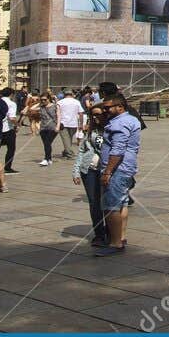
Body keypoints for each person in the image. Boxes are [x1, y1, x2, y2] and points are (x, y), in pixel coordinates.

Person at [96, 94, 140, 255]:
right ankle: (120, 237)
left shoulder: (119, 123)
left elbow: (118, 149)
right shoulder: (131, 120)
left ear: (120, 107)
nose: (105, 110)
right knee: (122, 204)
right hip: (127, 167)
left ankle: (115, 243)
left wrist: (107, 171)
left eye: (108, 107)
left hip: (117, 169)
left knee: (111, 206)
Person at [71, 103, 110, 246]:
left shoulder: (111, 130)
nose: (96, 117)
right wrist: (75, 171)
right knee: (94, 203)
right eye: (93, 115)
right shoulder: (90, 130)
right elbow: (82, 150)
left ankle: (111, 231)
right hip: (89, 170)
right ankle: (99, 233)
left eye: (99, 114)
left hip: (106, 170)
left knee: (108, 202)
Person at [32, 91, 59, 165]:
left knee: (47, 142)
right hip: (43, 128)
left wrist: (58, 126)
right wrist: (39, 103)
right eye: (42, 100)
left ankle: (46, 159)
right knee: (46, 144)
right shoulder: (41, 107)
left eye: (45, 99)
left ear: (49, 99)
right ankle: (49, 159)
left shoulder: (55, 106)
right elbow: (32, 108)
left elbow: (59, 116)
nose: (43, 101)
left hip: (53, 127)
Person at [0, 88, 20, 173]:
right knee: (11, 148)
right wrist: (17, 124)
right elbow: (11, 118)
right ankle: (7, 167)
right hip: (7, 129)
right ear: (11, 94)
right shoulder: (11, 104)